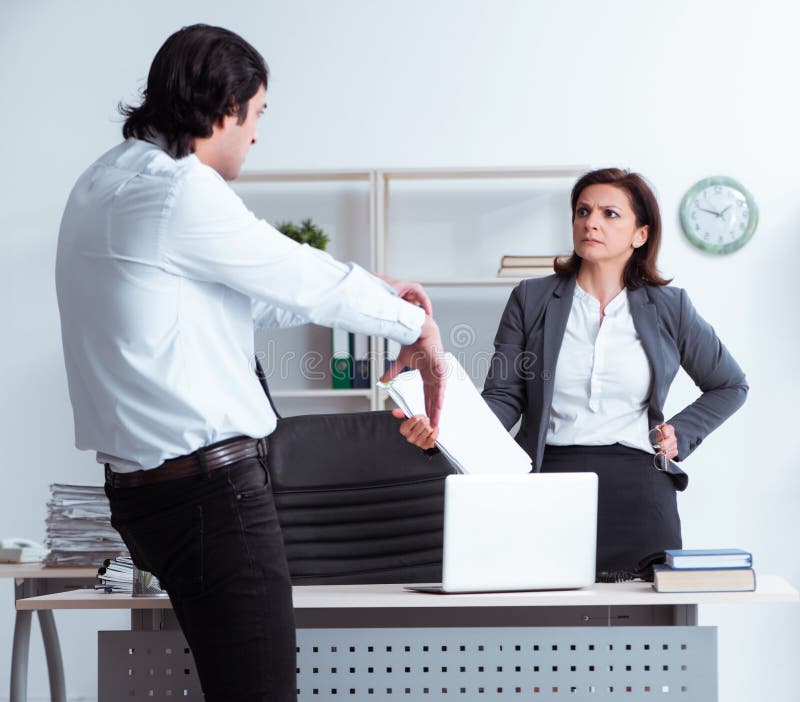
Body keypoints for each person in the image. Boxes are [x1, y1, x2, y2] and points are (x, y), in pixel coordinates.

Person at [55, 24, 445, 702]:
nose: (257, 135)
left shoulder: (104, 183)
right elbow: (299, 275)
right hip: (212, 498)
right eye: (257, 113)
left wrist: (378, 292)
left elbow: (248, 301)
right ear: (222, 109)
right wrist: (417, 328)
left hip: (147, 497)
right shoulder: (181, 192)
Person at [395, 167, 748, 576]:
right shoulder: (530, 299)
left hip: (640, 490)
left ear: (641, 234)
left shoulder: (671, 306)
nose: (591, 222)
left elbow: (730, 384)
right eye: (583, 211)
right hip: (549, 484)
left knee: (650, 632)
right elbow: (505, 398)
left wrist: (680, 434)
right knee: (548, 629)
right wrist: (443, 428)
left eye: (609, 214)